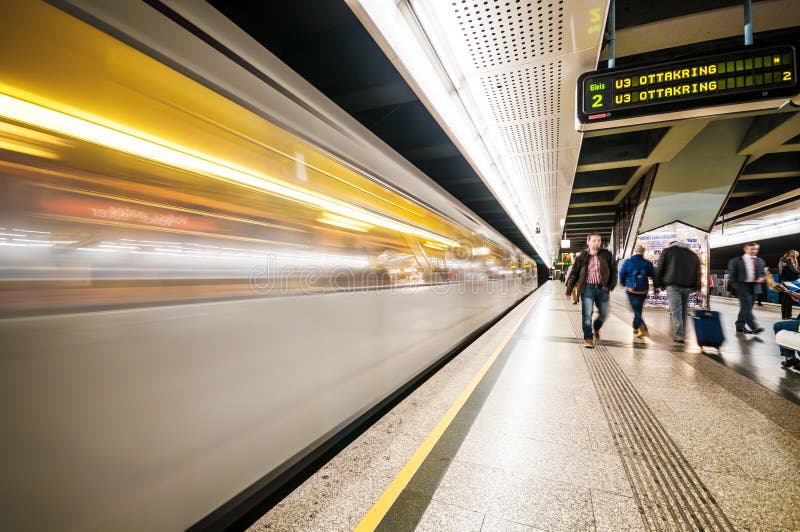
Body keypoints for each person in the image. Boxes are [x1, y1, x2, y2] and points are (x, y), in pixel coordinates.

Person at [565, 233, 617, 348]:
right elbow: (574, 273)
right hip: (587, 288)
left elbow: (614, 271)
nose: (597, 243)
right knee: (587, 315)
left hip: (603, 289)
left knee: (603, 314)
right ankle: (588, 338)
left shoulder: (607, 255)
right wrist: (569, 291)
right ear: (588, 242)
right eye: (594, 240)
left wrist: (610, 286)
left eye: (598, 240)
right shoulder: (581, 256)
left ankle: (596, 327)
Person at [654, 240, 701, 344]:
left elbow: (659, 268)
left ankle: (680, 335)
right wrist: (698, 288)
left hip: (673, 285)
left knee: (676, 311)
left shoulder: (667, 251)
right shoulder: (693, 255)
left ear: (671, 245)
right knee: (683, 311)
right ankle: (682, 334)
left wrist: (657, 285)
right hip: (687, 286)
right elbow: (698, 272)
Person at [618, 244, 656, 339]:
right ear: (643, 252)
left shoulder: (628, 262)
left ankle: (643, 329)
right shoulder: (647, 263)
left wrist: (623, 283)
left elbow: (622, 274)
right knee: (638, 308)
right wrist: (656, 287)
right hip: (643, 290)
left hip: (631, 290)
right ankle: (635, 327)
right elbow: (654, 276)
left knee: (635, 309)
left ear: (634, 251)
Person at [727, 242, 766, 334]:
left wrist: (761, 278)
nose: (754, 251)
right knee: (746, 307)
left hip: (755, 287)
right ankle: (754, 327)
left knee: (747, 308)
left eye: (756, 249)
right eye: (752, 249)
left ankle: (740, 326)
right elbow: (732, 275)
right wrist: (737, 287)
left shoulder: (760, 261)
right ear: (745, 249)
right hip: (742, 286)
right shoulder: (735, 261)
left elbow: (763, 274)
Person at [778, 250, 800, 319]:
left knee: (785, 299)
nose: (796, 257)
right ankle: (788, 316)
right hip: (791, 282)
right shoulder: (789, 260)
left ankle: (785, 316)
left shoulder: (782, 260)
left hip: (784, 281)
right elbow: (794, 270)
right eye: (796, 255)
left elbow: (781, 271)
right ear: (793, 254)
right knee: (789, 299)